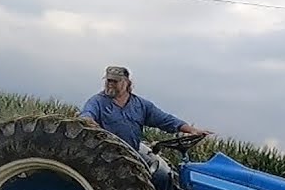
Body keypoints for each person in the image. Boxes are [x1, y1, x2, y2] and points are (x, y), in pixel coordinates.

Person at [79, 66, 211, 155]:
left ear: (127, 83)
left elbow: (165, 120)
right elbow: (87, 115)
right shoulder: (97, 101)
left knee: (162, 177)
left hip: (131, 153)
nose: (110, 84)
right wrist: (88, 121)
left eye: (115, 81)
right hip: (105, 154)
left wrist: (192, 130)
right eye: (109, 80)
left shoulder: (141, 105)